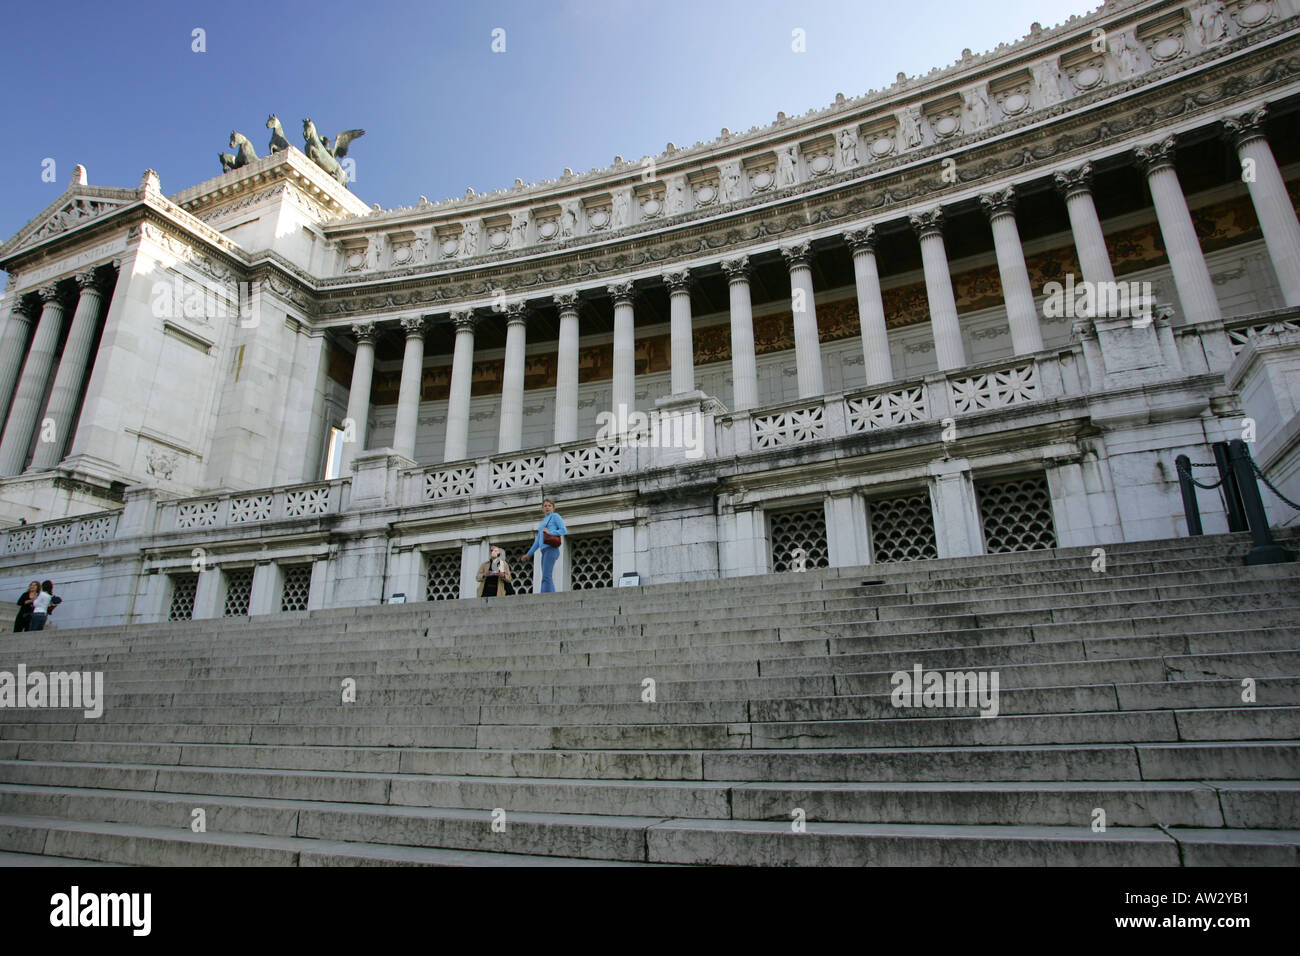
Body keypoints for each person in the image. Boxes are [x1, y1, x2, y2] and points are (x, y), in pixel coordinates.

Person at [523, 498, 567, 594]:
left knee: (546, 576)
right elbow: (538, 541)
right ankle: (548, 594)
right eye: (545, 506)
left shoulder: (555, 516)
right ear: (542, 508)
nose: (547, 508)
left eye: (549, 506)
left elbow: (564, 530)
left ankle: (546, 595)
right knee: (546, 575)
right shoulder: (543, 522)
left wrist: (550, 532)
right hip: (544, 551)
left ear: (553, 508)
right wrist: (528, 554)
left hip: (551, 549)